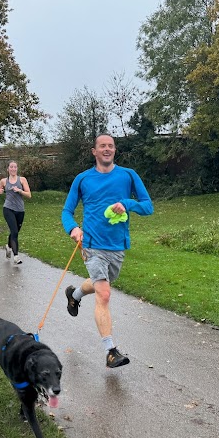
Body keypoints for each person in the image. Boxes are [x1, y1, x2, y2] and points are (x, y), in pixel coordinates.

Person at [61, 134, 154, 368]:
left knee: (102, 283)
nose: (106, 149)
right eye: (102, 146)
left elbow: (148, 207)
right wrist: (73, 229)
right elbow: (66, 212)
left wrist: (128, 203)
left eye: (110, 146)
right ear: (94, 151)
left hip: (117, 246)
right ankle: (110, 351)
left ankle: (74, 295)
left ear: (115, 150)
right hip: (91, 245)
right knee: (104, 294)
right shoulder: (83, 179)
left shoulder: (128, 175)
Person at [0, 160, 31, 265]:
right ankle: (16, 256)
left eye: (15, 167)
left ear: (17, 169)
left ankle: (8, 246)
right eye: (11, 167)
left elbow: (29, 195)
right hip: (8, 208)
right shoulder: (4, 181)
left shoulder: (22, 180)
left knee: (15, 232)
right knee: (14, 231)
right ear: (8, 169)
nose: (13, 169)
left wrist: (20, 191)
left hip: (20, 210)